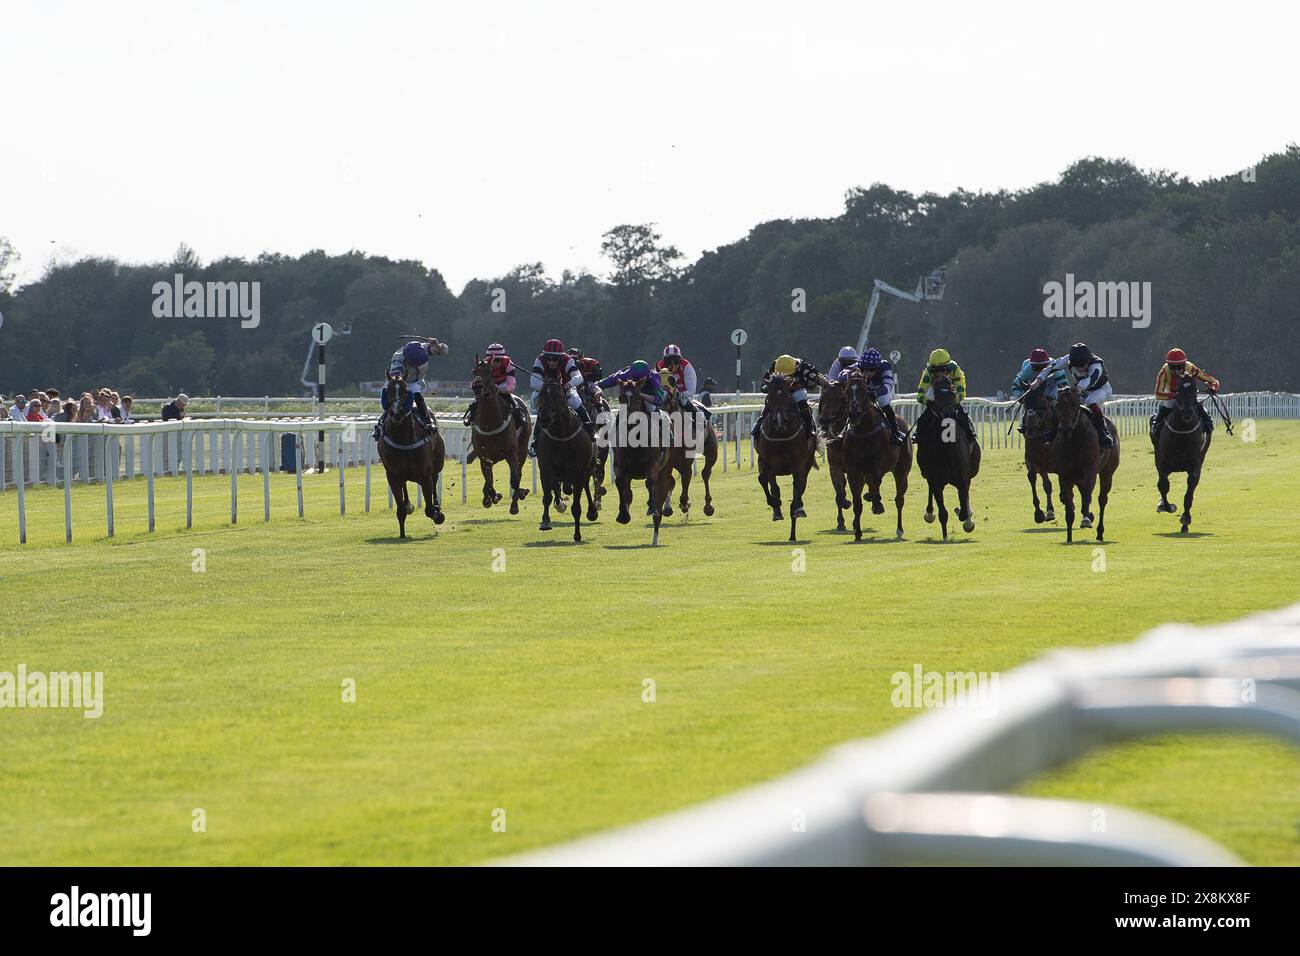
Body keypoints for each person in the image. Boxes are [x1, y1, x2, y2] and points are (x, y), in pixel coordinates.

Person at [1029, 342, 1114, 449]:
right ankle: (1051, 434)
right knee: (1063, 405)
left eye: (1083, 365)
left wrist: (1079, 387)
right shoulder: (1067, 360)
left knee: (1090, 400)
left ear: (1088, 360)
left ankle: (1103, 433)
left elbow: (1091, 380)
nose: (1080, 369)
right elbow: (1051, 367)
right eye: (1077, 366)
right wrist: (1038, 380)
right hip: (1081, 391)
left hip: (1101, 390)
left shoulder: (1096, 364)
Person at [528, 338, 594, 457]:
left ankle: (590, 432)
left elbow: (578, 377)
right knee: (543, 409)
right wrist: (549, 387)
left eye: (555, 359)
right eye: (549, 358)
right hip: (548, 391)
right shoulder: (540, 360)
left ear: (561, 357)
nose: (552, 362)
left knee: (576, 402)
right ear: (545, 356)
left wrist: (568, 384)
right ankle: (535, 441)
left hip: (566, 388)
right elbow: (533, 382)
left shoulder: (567, 359)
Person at [374, 338, 445, 439]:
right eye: (414, 364)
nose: (417, 366)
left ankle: (428, 421)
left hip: (415, 381)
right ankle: (380, 424)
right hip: (397, 380)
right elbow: (396, 381)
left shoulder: (423, 348)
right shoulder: (397, 361)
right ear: (407, 360)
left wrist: (437, 345)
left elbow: (444, 351)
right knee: (392, 395)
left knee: (417, 395)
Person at [752, 354, 825, 439]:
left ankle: (810, 427)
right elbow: (763, 387)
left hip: (797, 390)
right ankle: (758, 425)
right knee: (770, 402)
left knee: (800, 400)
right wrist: (772, 387)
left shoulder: (802, 366)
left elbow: (816, 377)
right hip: (779, 391)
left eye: (788, 374)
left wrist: (825, 384)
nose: (787, 376)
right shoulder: (775, 366)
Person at [913, 348, 977, 442]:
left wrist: (952, 402)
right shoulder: (928, 373)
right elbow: (920, 395)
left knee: (962, 414)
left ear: (948, 367)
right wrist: (929, 403)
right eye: (935, 370)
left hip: (950, 393)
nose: (939, 373)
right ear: (931, 368)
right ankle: (918, 434)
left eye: (942, 369)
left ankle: (969, 433)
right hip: (935, 393)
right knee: (924, 416)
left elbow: (961, 393)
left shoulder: (956, 371)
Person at [1152, 347, 1218, 436]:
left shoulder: (1190, 368)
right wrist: (1174, 395)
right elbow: (1158, 394)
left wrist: (1213, 388)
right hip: (1172, 395)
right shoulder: (1164, 371)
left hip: (1189, 396)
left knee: (1200, 408)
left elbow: (1213, 381)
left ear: (1184, 364)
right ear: (1168, 365)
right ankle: (1156, 427)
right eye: (1172, 367)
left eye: (1179, 367)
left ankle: (1208, 424)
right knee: (1166, 407)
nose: (1176, 370)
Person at [464, 343, 528, 428]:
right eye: (493, 360)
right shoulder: (483, 365)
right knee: (477, 401)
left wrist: (500, 389)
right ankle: (471, 415)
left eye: (498, 361)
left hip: (503, 386)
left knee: (511, 400)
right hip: (488, 387)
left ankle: (519, 414)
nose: (495, 363)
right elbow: (474, 383)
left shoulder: (509, 364)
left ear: (503, 359)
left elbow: (511, 385)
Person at [1010, 347, 1068, 433]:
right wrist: (1021, 397)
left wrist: (1058, 396)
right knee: (1030, 403)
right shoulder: (1026, 371)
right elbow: (1015, 387)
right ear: (1031, 366)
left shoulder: (1056, 369)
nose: (1039, 371)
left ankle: (1059, 424)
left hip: (1051, 387)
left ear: (1047, 365)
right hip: (1034, 388)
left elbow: (1064, 386)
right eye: (1036, 368)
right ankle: (1024, 423)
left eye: (1042, 367)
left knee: (1053, 401)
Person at [857, 348, 906, 445]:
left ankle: (895, 432)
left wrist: (875, 393)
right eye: (865, 369)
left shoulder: (884, 366)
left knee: (882, 401)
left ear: (877, 367)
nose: (868, 373)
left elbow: (888, 385)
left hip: (884, 389)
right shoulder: (858, 367)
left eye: (871, 370)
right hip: (868, 389)